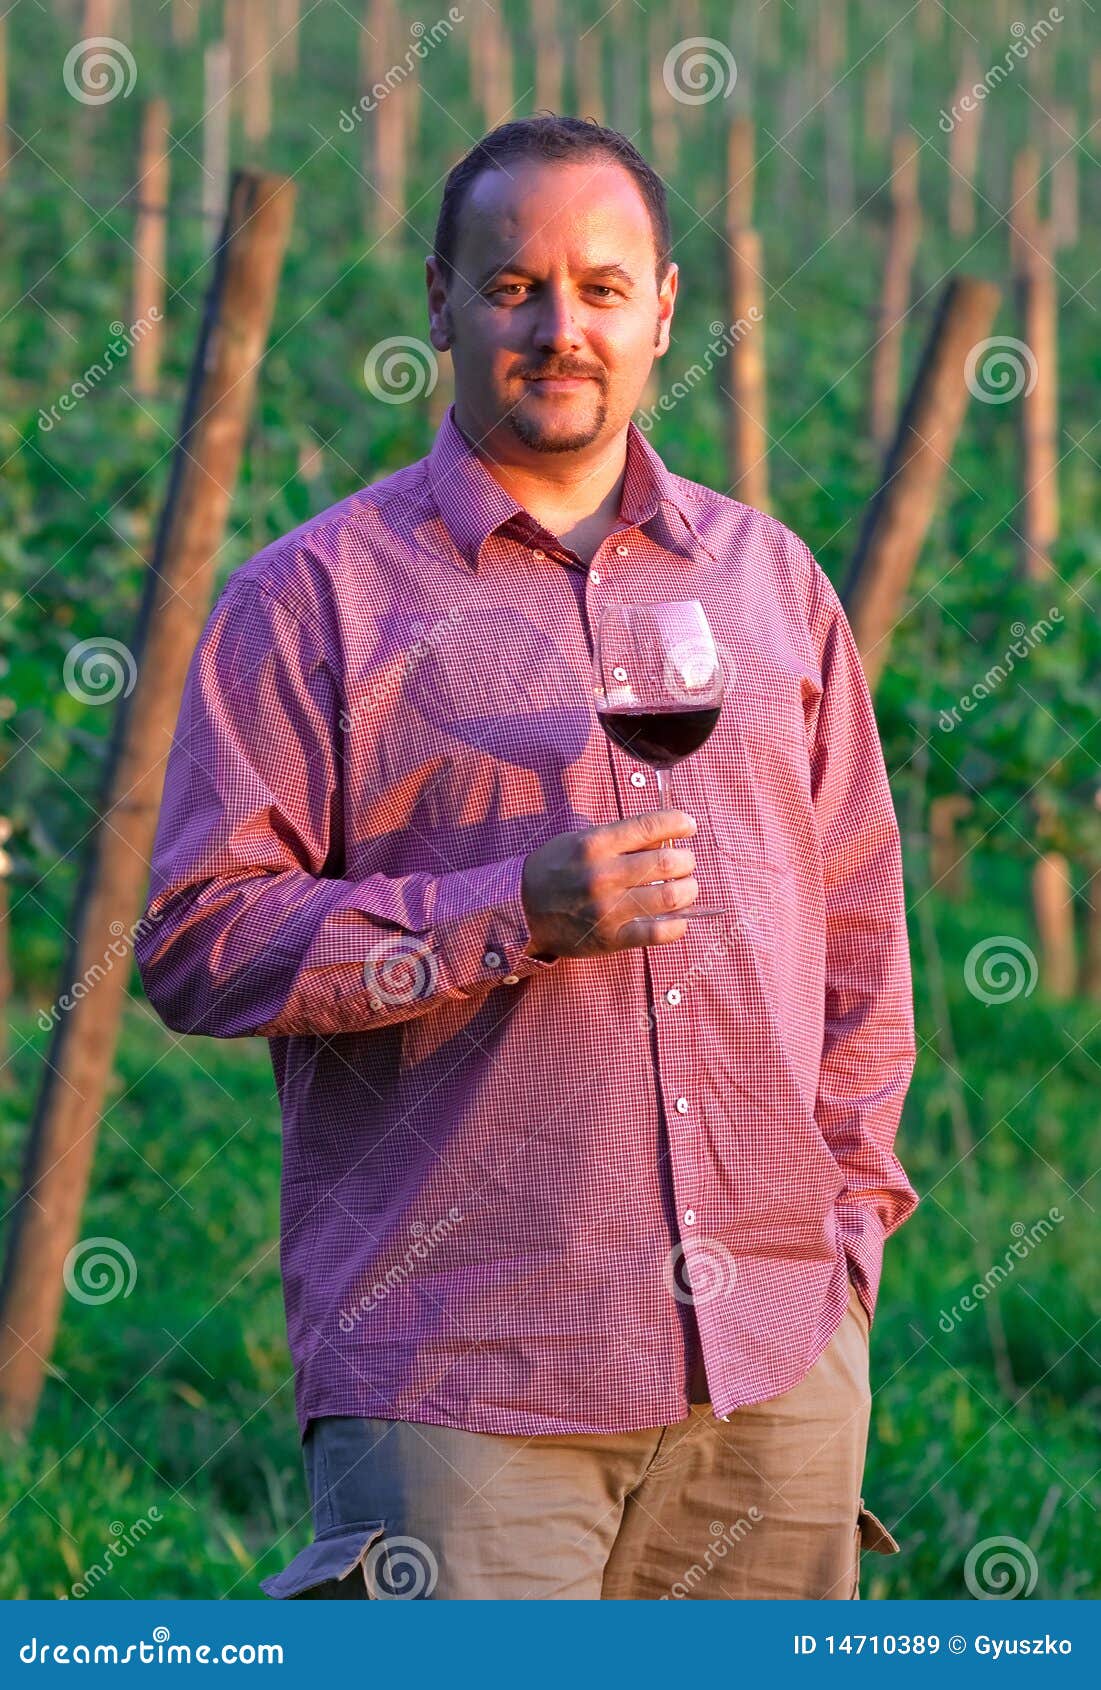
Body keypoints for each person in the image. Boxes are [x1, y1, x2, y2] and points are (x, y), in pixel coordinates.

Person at [135, 115, 917, 1601]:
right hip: (464, 1382)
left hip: (770, 1377)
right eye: (515, 288)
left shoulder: (769, 584)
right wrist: (508, 911)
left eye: (603, 288)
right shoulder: (313, 603)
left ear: (664, 308)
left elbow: (859, 938)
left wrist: (843, 1258)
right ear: (441, 301)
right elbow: (195, 938)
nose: (562, 329)